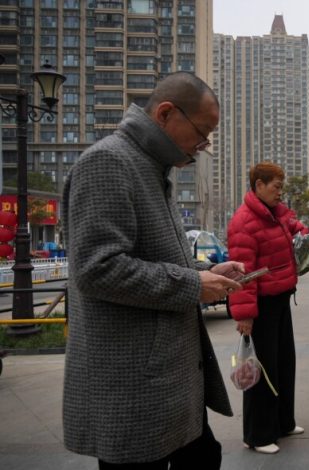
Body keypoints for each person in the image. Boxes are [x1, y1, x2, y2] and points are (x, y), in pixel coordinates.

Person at [63, 72, 243, 469]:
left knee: (204, 456)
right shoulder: (108, 162)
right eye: (202, 132)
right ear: (165, 113)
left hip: (169, 379)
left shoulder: (151, 169)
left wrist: (208, 270)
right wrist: (193, 283)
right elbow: (96, 268)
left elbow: (154, 255)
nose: (202, 146)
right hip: (134, 385)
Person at [228, 161, 309, 454]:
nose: (281, 193)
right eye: (276, 187)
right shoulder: (244, 222)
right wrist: (244, 315)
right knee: (262, 371)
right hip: (261, 305)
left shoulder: (275, 214)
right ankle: (258, 435)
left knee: (284, 364)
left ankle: (283, 422)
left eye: (281, 187)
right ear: (259, 186)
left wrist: (308, 240)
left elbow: (296, 226)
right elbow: (241, 274)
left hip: (280, 300)